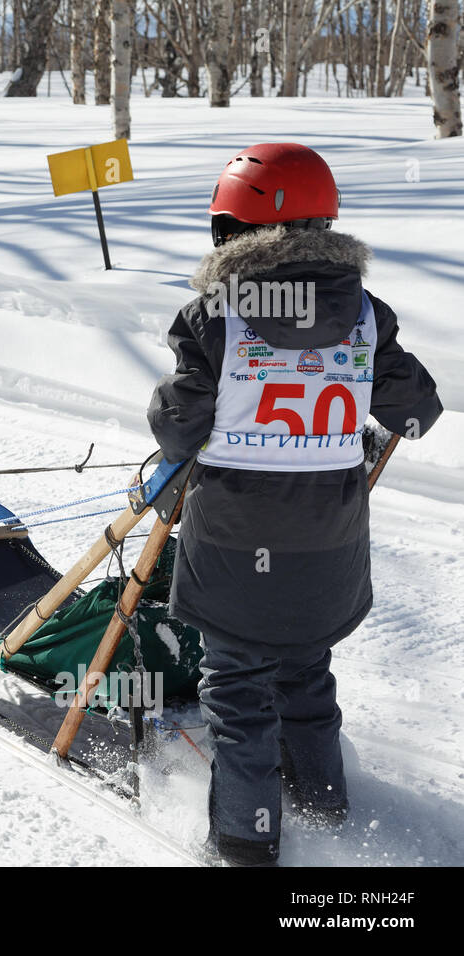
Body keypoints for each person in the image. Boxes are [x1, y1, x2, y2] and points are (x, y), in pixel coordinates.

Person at [147, 143, 442, 866]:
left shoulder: (212, 317)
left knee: (238, 687)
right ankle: (322, 802)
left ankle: (247, 843)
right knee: (305, 673)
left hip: (233, 547)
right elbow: (417, 411)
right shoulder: (367, 314)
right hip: (330, 548)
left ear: (234, 230)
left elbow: (180, 425)